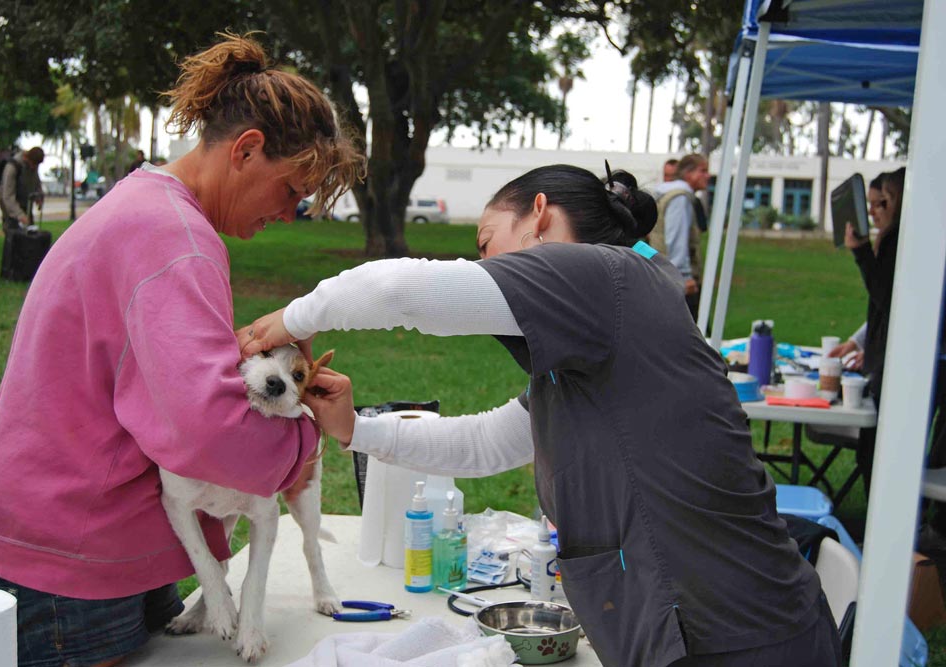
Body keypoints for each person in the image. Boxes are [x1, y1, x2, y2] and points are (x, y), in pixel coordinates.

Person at [241, 163, 841, 667]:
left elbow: (405, 289)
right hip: (711, 628)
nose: (484, 263)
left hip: (744, 634)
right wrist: (354, 430)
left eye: (487, 242)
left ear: (541, 214)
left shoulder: (608, 275)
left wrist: (288, 322)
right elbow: (488, 444)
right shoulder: (595, 332)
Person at [0, 33, 362, 667]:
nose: (290, 214)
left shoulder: (146, 206)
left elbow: (170, 392)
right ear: (247, 149)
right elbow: (212, 429)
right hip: (73, 554)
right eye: (290, 190)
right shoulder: (175, 237)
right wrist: (311, 438)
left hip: (93, 536)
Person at [845, 167, 905, 495]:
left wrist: (861, 252)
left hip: (894, 369)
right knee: (871, 448)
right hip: (881, 360)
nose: (873, 212)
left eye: (882, 203)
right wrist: (861, 342)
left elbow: (887, 297)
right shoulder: (892, 240)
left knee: (878, 450)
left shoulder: (900, 241)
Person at [827, 173, 890, 372]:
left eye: (878, 204)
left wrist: (862, 252)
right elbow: (883, 311)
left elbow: (888, 302)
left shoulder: (896, 247)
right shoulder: (884, 242)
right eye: (868, 205)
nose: (871, 212)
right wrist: (856, 343)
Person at [651, 153, 711, 318]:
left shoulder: (666, 195)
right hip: (676, 279)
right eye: (702, 171)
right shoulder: (679, 198)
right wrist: (684, 276)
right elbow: (675, 238)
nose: (708, 175)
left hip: (662, 273)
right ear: (687, 173)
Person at [0, 146, 44, 230]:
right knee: (14, 234)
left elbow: (36, 182)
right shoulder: (12, 167)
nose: (34, 168)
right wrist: (20, 215)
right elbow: (7, 196)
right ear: (27, 158)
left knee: (30, 231)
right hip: (10, 208)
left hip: (26, 203)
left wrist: (39, 197)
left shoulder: (33, 165)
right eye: (33, 164)